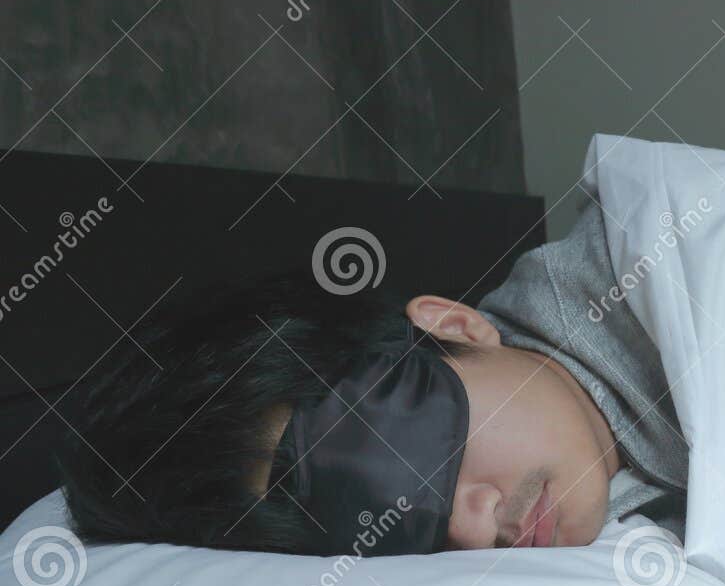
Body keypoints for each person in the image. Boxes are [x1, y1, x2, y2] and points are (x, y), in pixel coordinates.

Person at [55, 195, 687, 557]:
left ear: (454, 327)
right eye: (404, 531)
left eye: (418, 448)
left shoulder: (674, 262)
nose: (471, 529)